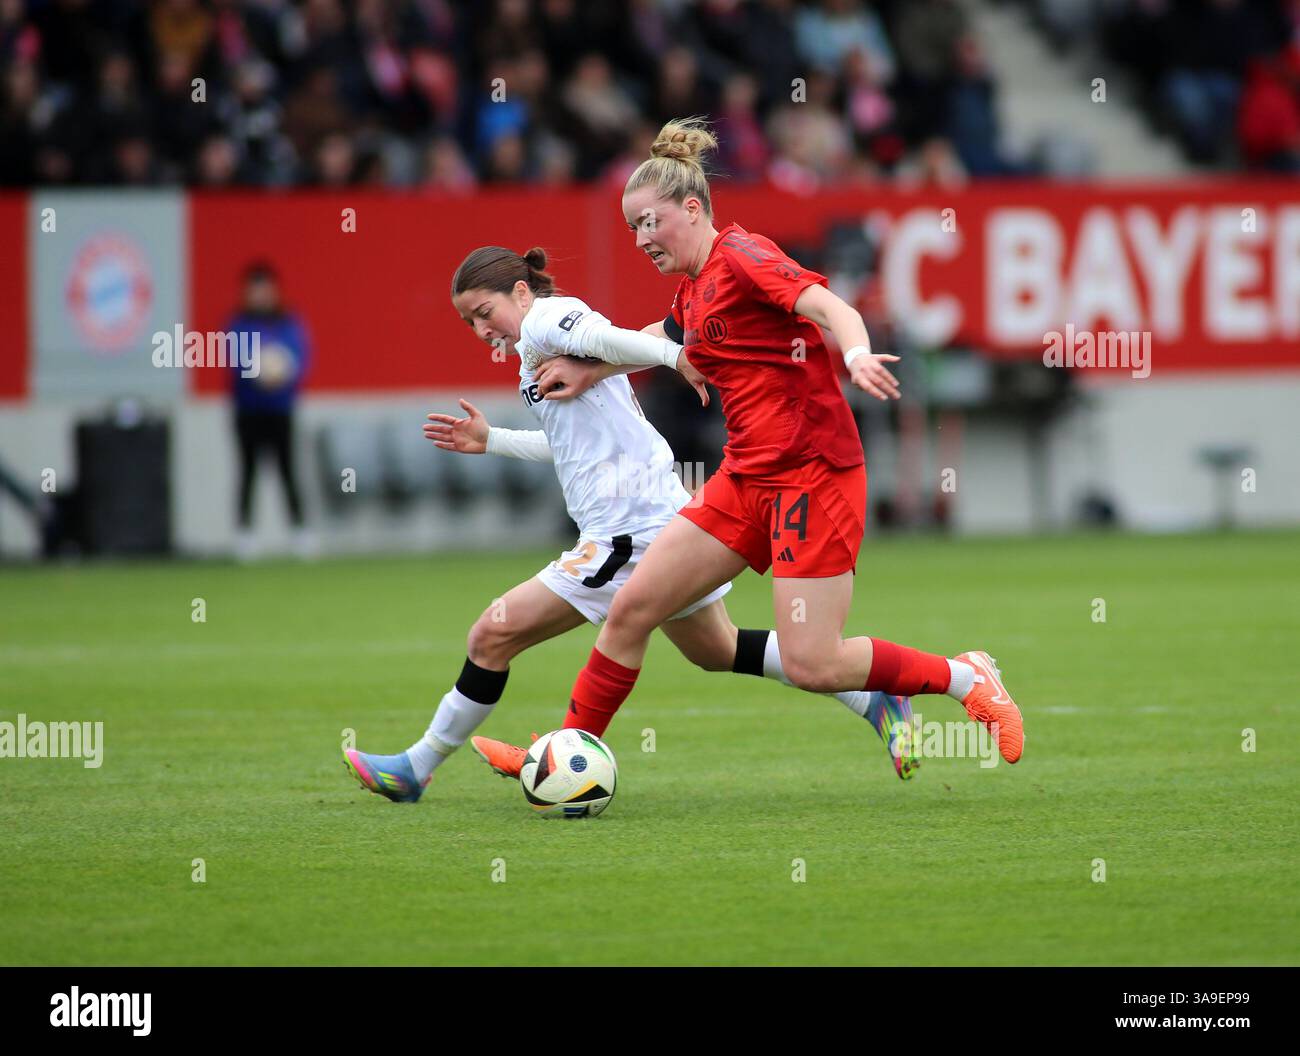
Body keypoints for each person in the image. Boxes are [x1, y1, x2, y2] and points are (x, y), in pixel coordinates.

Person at [471, 119, 1023, 778]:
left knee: (814, 662)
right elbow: (661, 333)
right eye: (631, 229)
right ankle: (563, 756)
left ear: (693, 208)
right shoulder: (695, 284)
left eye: (650, 222)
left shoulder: (745, 257)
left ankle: (966, 677)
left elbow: (827, 305)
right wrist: (593, 369)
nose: (642, 239)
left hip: (812, 475)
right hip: (747, 476)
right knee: (632, 608)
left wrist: (855, 352)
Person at [342, 245, 918, 804]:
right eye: (469, 321)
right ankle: (874, 699)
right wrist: (493, 440)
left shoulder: (548, 318)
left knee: (492, 634)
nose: (480, 329)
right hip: (656, 518)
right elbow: (570, 446)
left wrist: (675, 357)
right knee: (714, 649)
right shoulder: (536, 347)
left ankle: (422, 767)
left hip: (626, 534)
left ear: (520, 291)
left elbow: (603, 335)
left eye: (484, 312)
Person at [228, 260, 313, 560]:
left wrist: (281, 373)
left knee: (287, 470)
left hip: (280, 410)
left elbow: (300, 360)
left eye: (265, 290)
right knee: (247, 470)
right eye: (255, 291)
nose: (260, 296)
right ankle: (244, 535)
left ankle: (300, 533)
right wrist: (258, 371)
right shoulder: (239, 324)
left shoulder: (288, 322)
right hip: (248, 411)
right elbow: (236, 364)